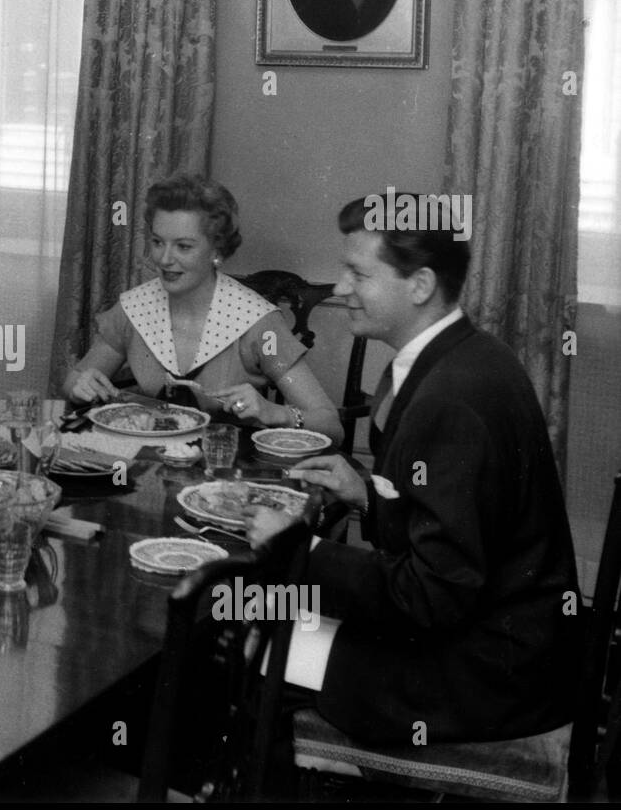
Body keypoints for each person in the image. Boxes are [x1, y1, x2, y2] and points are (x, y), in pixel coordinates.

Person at [244, 196, 580, 744]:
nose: (339, 289)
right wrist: (367, 499)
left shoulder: (450, 398)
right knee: (267, 622)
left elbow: (431, 597)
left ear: (420, 286)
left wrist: (300, 552)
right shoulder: (465, 354)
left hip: (484, 671)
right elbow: (455, 530)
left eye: (358, 273)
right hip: (502, 639)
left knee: (246, 644)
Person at [62, 173, 343, 444]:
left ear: (217, 250)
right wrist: (80, 386)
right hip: (146, 469)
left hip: (226, 475)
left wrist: (275, 412)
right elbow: (74, 380)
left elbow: (330, 424)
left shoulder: (257, 323)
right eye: (158, 242)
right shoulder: (134, 310)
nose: (164, 258)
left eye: (183, 247)